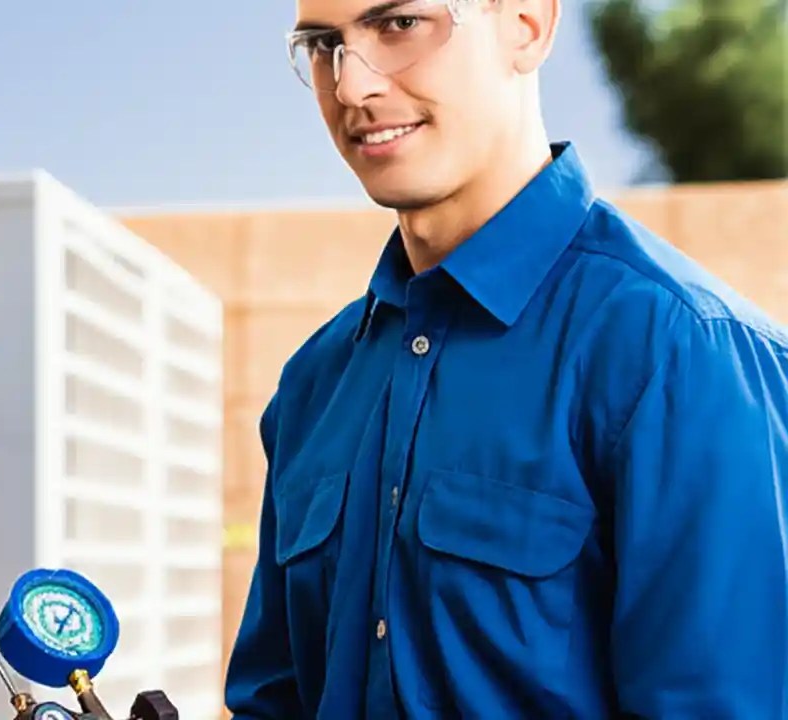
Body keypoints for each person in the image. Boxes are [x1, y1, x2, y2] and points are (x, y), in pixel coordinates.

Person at [223, 0, 788, 717]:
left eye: (399, 25)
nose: (351, 87)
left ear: (527, 24)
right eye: (324, 45)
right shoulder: (314, 385)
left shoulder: (682, 355)